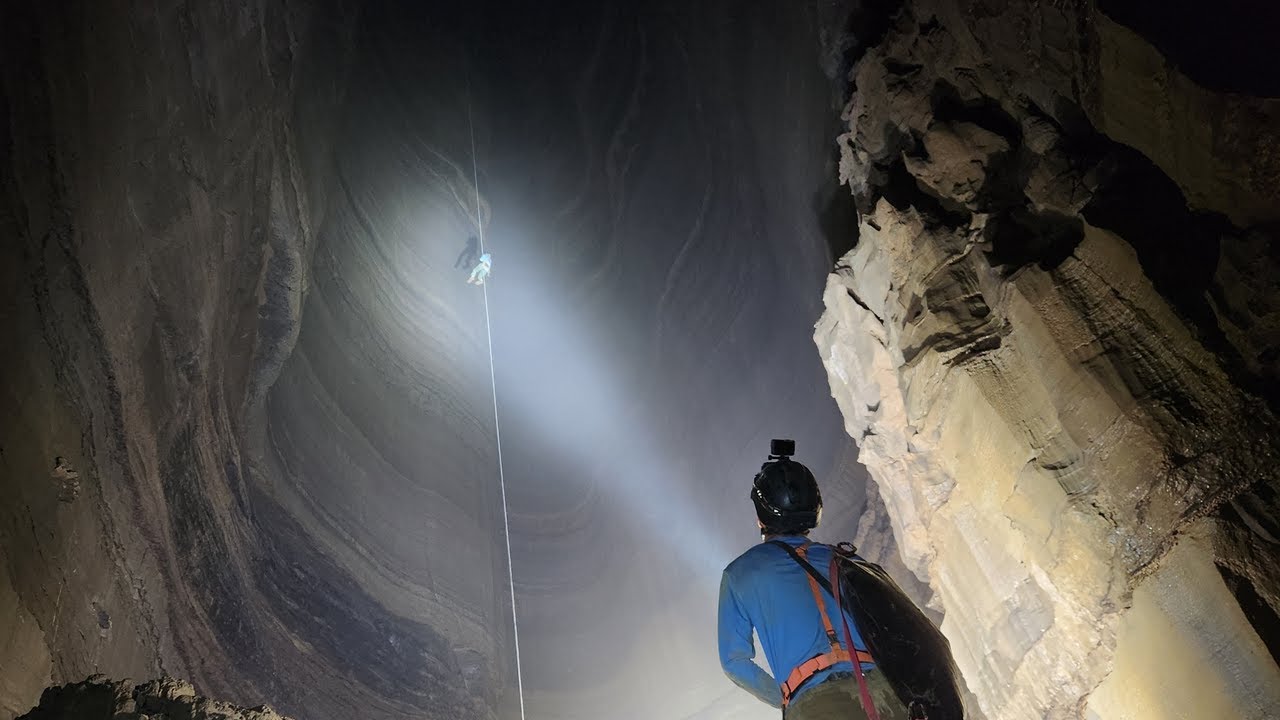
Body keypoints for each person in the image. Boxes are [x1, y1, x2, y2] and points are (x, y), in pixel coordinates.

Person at [718, 440, 909, 719]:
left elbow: (734, 663)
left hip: (816, 702)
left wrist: (786, 701)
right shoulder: (848, 561)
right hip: (884, 693)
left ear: (761, 516)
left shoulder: (740, 573)